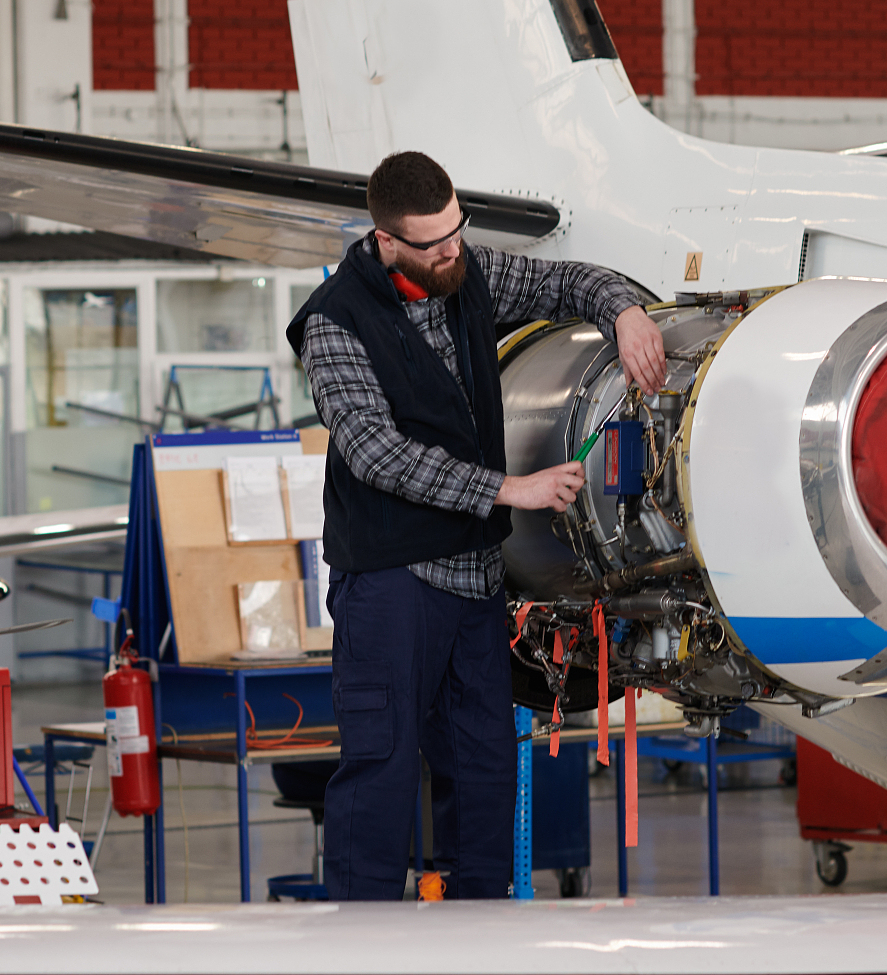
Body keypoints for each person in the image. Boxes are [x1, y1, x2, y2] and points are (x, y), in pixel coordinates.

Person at [285, 150, 666, 900]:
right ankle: (356, 945)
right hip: (392, 585)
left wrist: (624, 312)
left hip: (473, 582)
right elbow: (377, 453)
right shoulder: (334, 324)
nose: (452, 250)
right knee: (382, 773)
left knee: (486, 773)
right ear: (387, 240)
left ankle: (484, 936)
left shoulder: (469, 269)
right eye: (434, 243)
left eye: (458, 230)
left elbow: (569, 280)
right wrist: (511, 489)